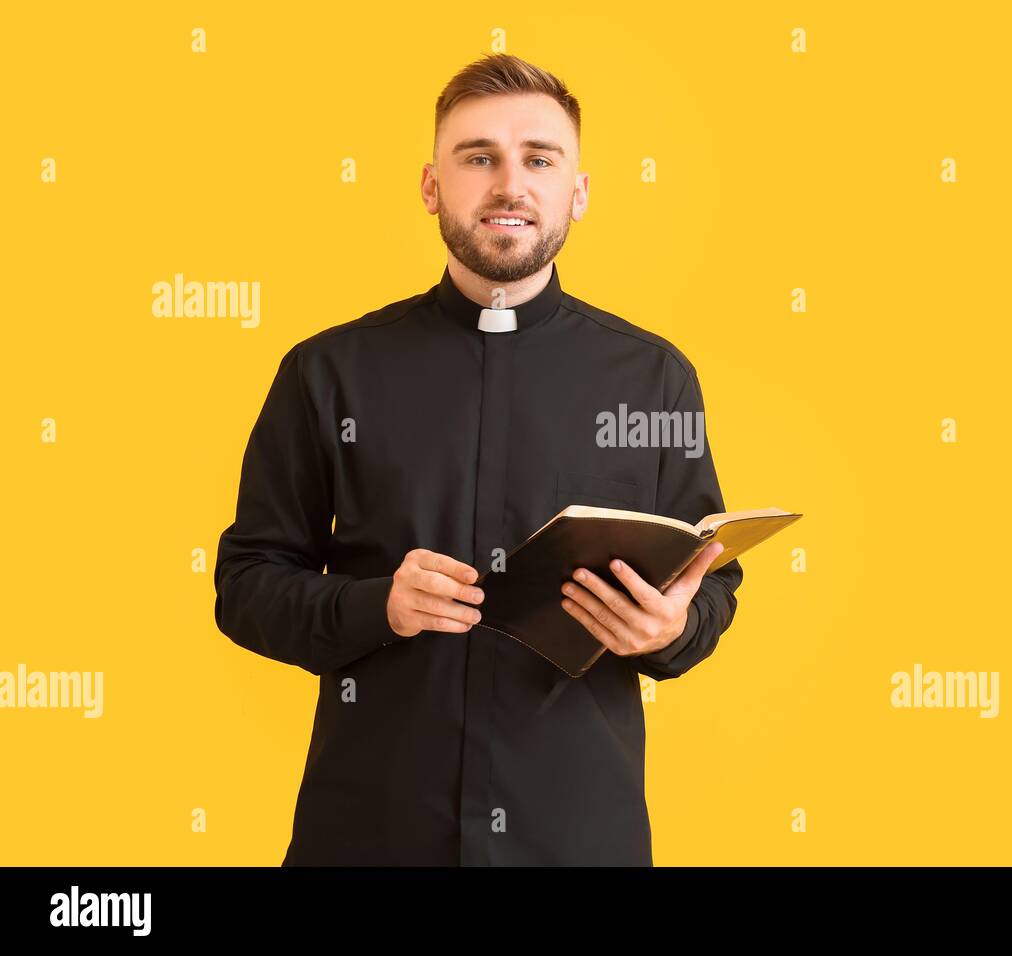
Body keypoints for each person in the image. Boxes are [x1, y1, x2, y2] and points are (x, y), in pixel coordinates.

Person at [213, 53, 742, 866]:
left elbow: (710, 584)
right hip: (367, 837)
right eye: (478, 157)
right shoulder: (328, 372)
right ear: (431, 187)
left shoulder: (654, 378)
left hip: (577, 839)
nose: (509, 184)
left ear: (578, 192)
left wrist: (670, 629)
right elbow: (246, 586)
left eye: (539, 159)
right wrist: (376, 606)